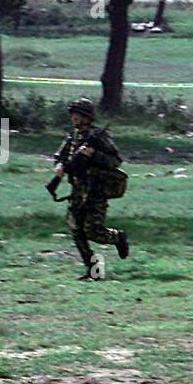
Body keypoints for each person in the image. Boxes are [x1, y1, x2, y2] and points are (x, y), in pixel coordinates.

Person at [50, 98, 129, 280]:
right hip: (77, 190)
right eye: (73, 115)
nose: (74, 118)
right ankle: (93, 269)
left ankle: (117, 237)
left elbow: (115, 161)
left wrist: (94, 154)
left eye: (78, 115)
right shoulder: (72, 137)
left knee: (94, 232)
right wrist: (60, 166)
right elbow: (59, 157)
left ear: (86, 116)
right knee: (76, 231)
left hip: (96, 190)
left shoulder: (99, 138)